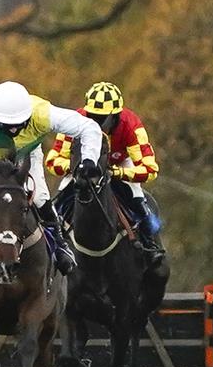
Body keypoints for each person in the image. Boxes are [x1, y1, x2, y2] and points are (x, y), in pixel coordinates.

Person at [0, 81, 102, 275]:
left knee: (40, 198)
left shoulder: (43, 113)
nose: (13, 130)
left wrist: (89, 160)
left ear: (28, 115)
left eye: (18, 124)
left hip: (28, 153)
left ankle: (61, 244)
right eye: (6, 126)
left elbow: (89, 128)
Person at [45, 81, 166, 266]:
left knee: (138, 200)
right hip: (82, 166)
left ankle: (151, 244)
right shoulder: (74, 120)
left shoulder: (131, 124)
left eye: (102, 119)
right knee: (56, 204)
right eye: (92, 116)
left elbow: (150, 169)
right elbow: (52, 160)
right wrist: (75, 167)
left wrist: (118, 172)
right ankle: (54, 244)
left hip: (119, 163)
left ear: (116, 116)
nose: (96, 124)